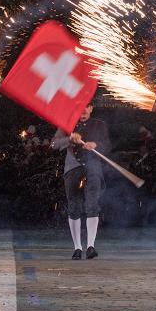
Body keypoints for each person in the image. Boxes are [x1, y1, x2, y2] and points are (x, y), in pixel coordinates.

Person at [50, 103, 108, 259]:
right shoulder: (67, 125)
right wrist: (69, 138)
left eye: (86, 107)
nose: (83, 111)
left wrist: (96, 145)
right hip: (73, 169)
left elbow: (107, 145)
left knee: (92, 205)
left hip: (93, 168)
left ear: (91, 108)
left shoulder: (99, 125)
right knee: (74, 207)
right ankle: (77, 248)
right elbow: (54, 144)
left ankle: (90, 246)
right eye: (79, 107)